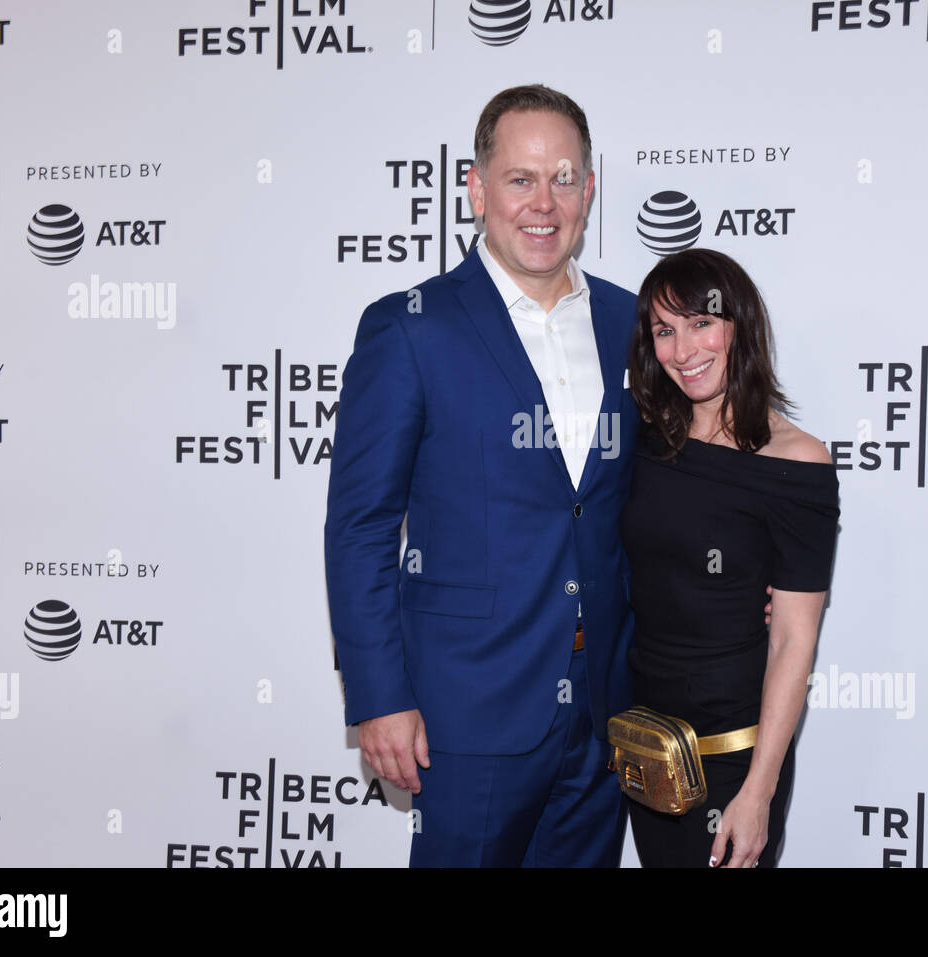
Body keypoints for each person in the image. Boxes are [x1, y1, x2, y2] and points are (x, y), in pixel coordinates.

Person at [324, 85, 639, 866]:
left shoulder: (631, 323)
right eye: (520, 178)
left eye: (564, 178)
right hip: (464, 713)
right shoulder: (409, 328)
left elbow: (663, 491)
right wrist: (379, 696)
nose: (544, 202)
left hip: (604, 706)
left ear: (591, 191)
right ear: (475, 189)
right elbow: (360, 527)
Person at [621, 248, 839, 868]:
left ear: (739, 324)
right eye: (664, 330)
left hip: (735, 756)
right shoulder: (643, 439)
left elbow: (794, 641)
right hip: (644, 746)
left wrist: (759, 792)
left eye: (701, 323)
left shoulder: (797, 463)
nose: (683, 349)